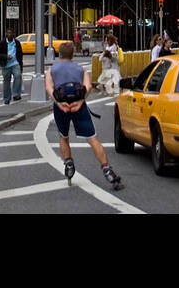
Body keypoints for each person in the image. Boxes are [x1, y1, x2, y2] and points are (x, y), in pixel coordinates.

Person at [45, 41, 123, 190]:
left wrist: (60, 104)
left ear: (59, 54)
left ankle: (68, 163)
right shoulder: (81, 70)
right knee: (93, 138)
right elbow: (87, 87)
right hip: (79, 107)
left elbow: (49, 88)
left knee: (63, 136)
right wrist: (80, 102)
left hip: (61, 108)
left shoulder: (52, 70)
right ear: (73, 54)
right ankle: (107, 170)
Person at [0, 27, 23, 105]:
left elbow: (20, 55)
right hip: (6, 65)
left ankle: (16, 94)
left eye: (11, 33)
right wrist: (6, 56)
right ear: (6, 34)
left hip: (15, 63)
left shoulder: (17, 43)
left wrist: (21, 66)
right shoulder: (2, 43)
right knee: (6, 82)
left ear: (13, 34)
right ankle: (7, 98)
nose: (9, 34)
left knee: (18, 76)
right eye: (8, 33)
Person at [98, 32, 122, 97]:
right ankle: (112, 91)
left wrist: (107, 54)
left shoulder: (114, 47)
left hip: (113, 64)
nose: (106, 41)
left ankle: (114, 91)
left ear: (110, 40)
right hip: (110, 65)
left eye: (107, 40)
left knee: (114, 78)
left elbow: (113, 56)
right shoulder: (109, 46)